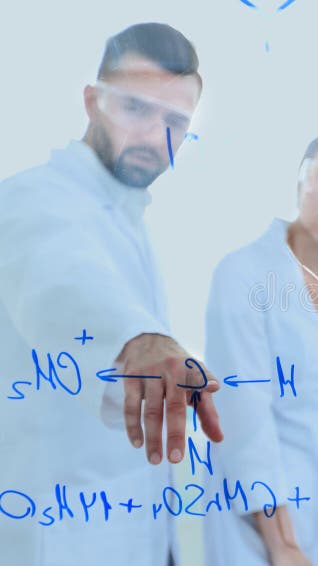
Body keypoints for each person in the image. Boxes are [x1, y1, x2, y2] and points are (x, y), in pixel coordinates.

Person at [0, 23, 222, 566]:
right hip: (62, 543)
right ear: (92, 102)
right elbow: (63, 278)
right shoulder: (32, 200)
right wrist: (139, 338)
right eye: (136, 109)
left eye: (174, 121)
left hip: (140, 536)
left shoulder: (130, 220)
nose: (154, 135)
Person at [203, 126, 318, 566]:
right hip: (256, 523)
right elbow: (244, 417)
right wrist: (282, 544)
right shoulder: (243, 274)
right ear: (300, 180)